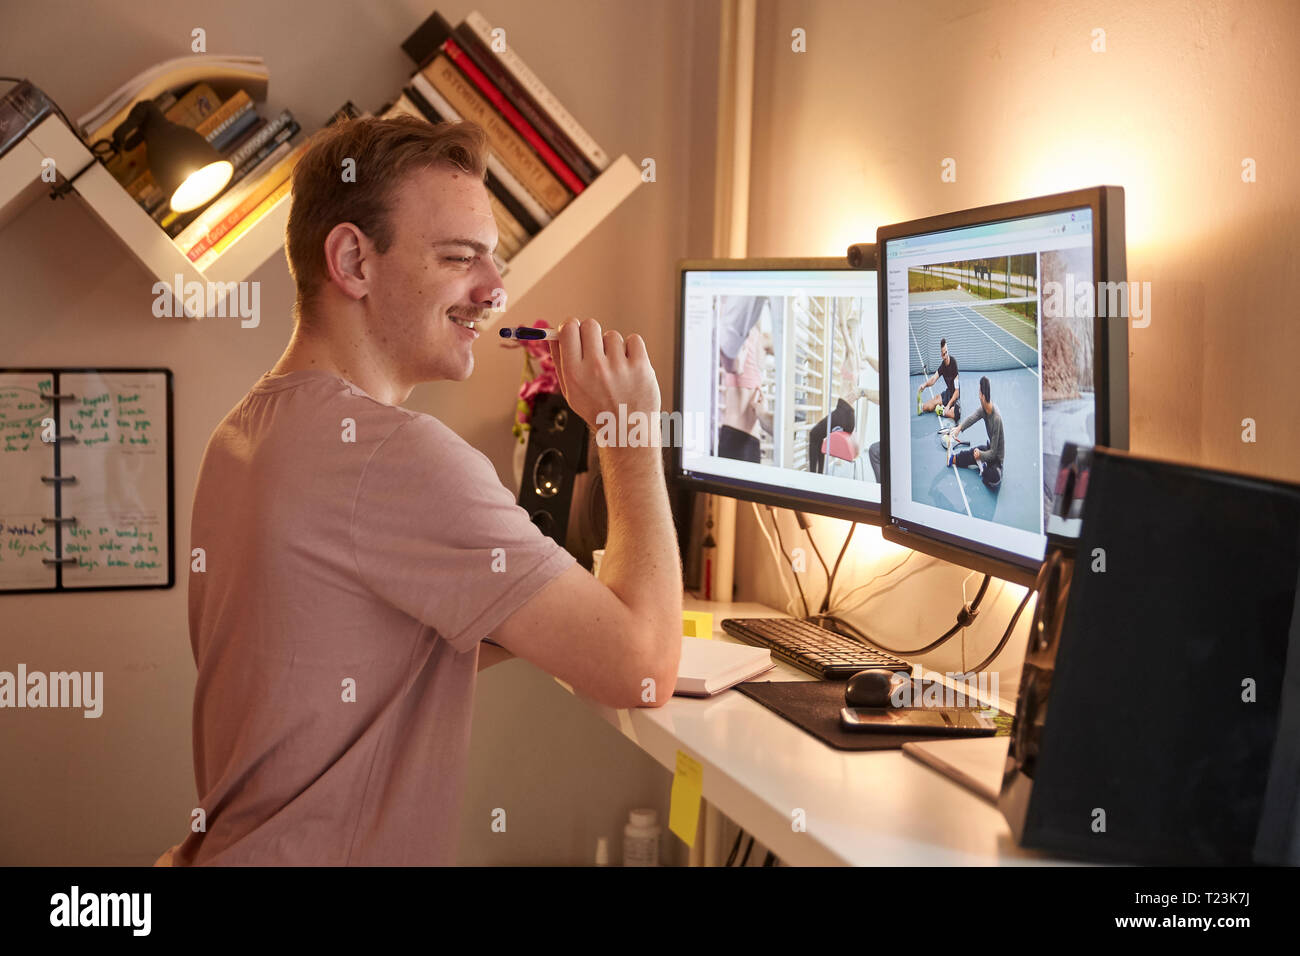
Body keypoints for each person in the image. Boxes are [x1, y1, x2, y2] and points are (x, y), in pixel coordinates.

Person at [175, 117, 682, 866]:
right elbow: (643, 668)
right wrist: (628, 428)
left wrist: (540, 607)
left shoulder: (244, 434)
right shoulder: (396, 459)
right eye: (459, 259)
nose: (495, 289)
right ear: (353, 260)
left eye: (493, 261)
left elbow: (348, 651)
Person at [949, 375, 1005, 489]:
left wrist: (981, 455)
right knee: (973, 452)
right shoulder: (984, 409)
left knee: (994, 479)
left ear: (983, 396)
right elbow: (972, 418)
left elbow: (994, 453)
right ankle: (953, 458)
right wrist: (959, 428)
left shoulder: (996, 419)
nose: (978, 395)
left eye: (979, 392)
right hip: (989, 449)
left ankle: (983, 466)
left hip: (997, 459)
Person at [918, 338, 960, 422]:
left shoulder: (953, 363)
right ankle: (922, 407)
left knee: (956, 414)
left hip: (955, 397)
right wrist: (925, 385)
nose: (945, 355)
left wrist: (948, 405)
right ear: (941, 355)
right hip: (948, 394)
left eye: (946, 352)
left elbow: (957, 391)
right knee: (930, 405)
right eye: (943, 354)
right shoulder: (942, 367)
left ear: (948, 351)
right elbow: (933, 379)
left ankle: (941, 411)